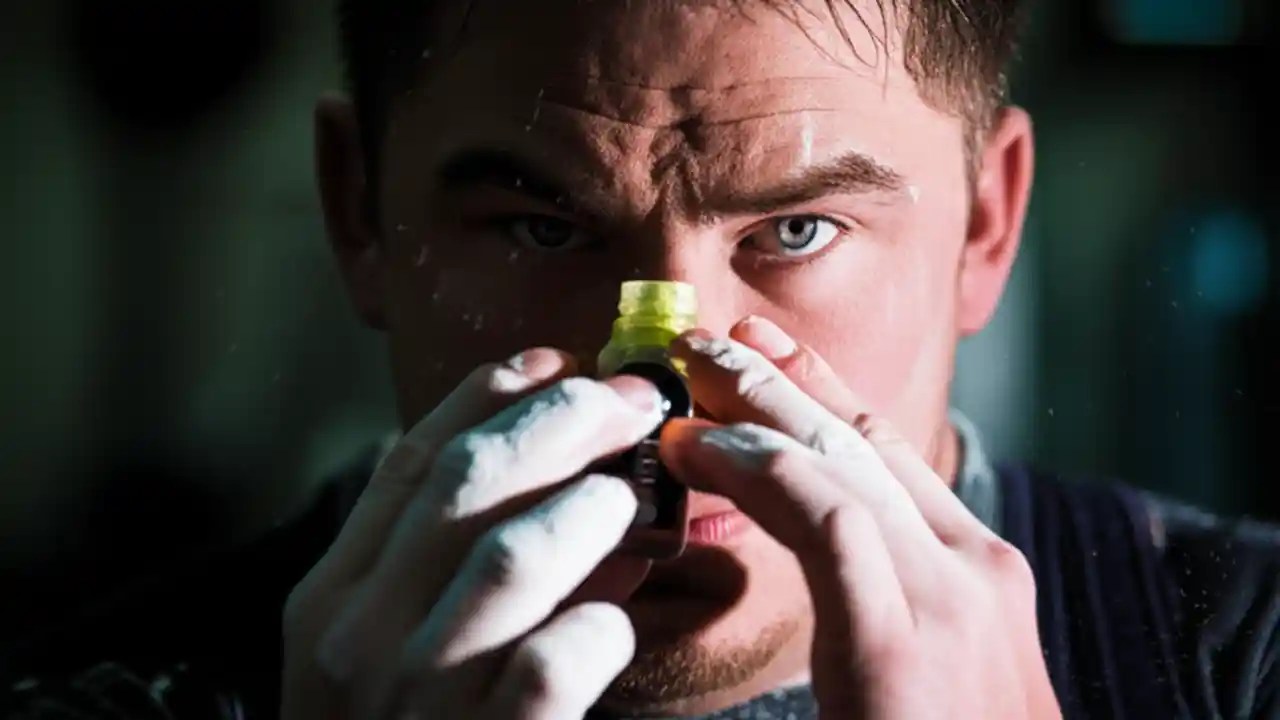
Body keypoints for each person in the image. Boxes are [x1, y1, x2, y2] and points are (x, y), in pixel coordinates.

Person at [4, 1, 1278, 718]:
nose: (672, 369)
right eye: (541, 224)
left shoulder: (1250, 662)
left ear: (985, 226)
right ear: (360, 217)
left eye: (794, 228)